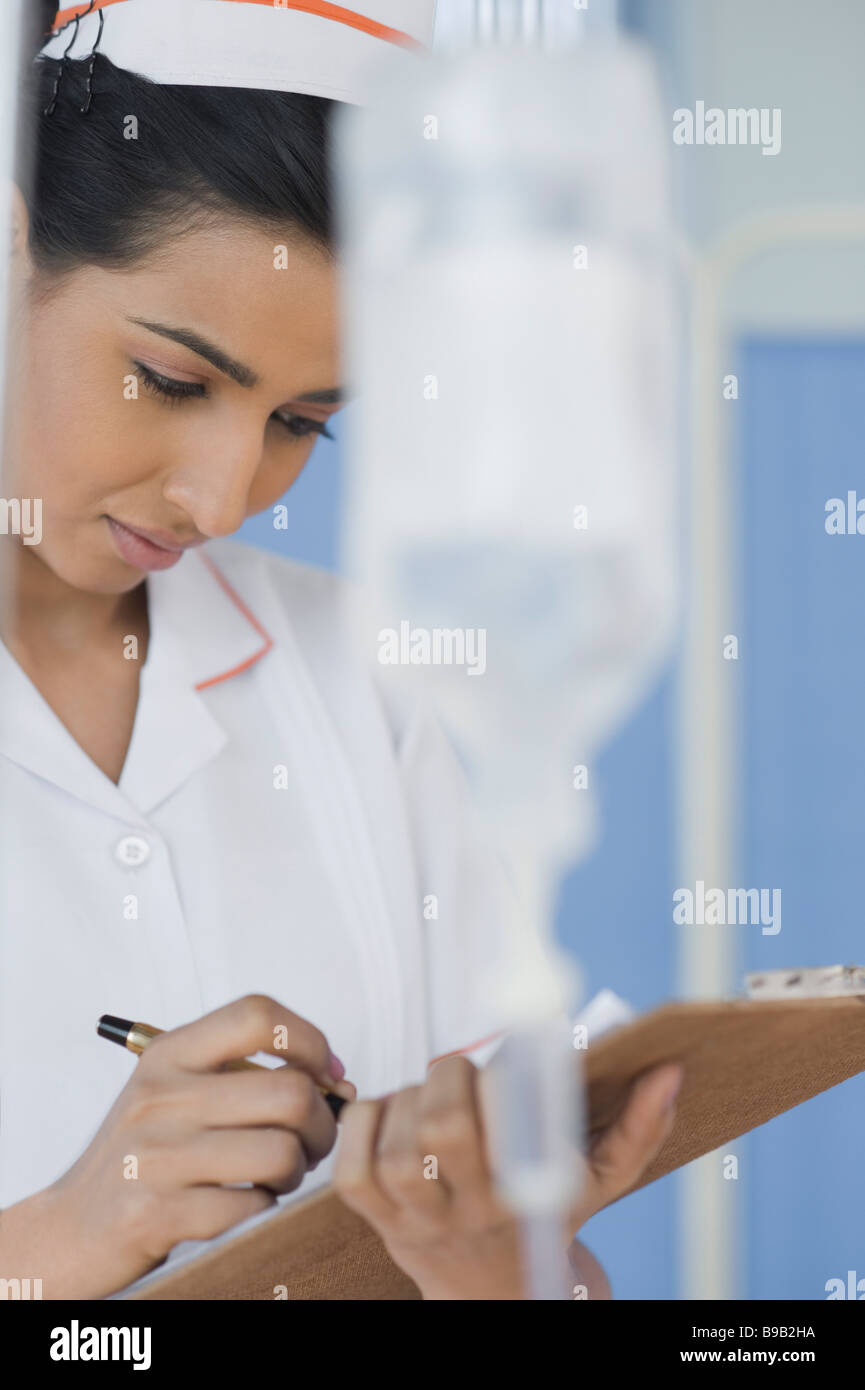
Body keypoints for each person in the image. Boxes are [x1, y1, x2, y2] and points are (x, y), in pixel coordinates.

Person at [0, 0, 682, 1301]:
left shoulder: (363, 675)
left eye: (303, 421)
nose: (220, 496)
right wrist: (66, 1237)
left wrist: (495, 1260)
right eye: (175, 379)